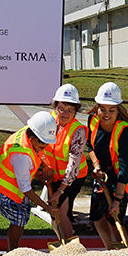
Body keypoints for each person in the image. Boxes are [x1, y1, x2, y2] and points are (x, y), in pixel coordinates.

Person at [0, 111, 59, 251]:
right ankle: (13, 251)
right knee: (18, 219)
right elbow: (25, 188)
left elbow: (32, 160)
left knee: (23, 214)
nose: (44, 145)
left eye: (47, 142)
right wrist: (47, 208)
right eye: (41, 142)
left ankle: (13, 249)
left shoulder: (30, 132)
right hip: (0, 184)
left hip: (11, 178)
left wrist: (39, 172)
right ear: (32, 136)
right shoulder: (21, 154)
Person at [87, 82, 128, 249]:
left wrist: (118, 199)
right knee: (97, 215)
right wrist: (96, 165)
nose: (106, 114)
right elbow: (90, 147)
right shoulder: (93, 121)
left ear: (118, 110)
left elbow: (126, 167)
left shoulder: (127, 131)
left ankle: (122, 251)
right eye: (102, 109)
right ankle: (110, 249)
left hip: (123, 179)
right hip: (102, 174)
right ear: (97, 107)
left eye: (111, 110)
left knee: (115, 218)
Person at [40, 83, 88, 241]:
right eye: (61, 109)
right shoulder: (48, 120)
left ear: (75, 111)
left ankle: (70, 247)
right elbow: (38, 147)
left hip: (73, 177)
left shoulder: (78, 131)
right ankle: (61, 241)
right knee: (53, 210)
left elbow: (73, 165)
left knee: (62, 210)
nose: (65, 114)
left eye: (70, 110)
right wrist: (45, 167)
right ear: (55, 107)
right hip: (54, 174)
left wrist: (60, 190)